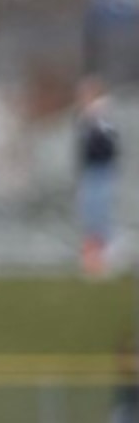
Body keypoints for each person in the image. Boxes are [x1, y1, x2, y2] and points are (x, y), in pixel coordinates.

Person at [76, 77, 119, 277]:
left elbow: (108, 145)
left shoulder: (101, 115)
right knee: (90, 217)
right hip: (91, 171)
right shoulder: (86, 117)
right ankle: (91, 260)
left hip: (100, 171)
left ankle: (101, 260)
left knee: (99, 218)